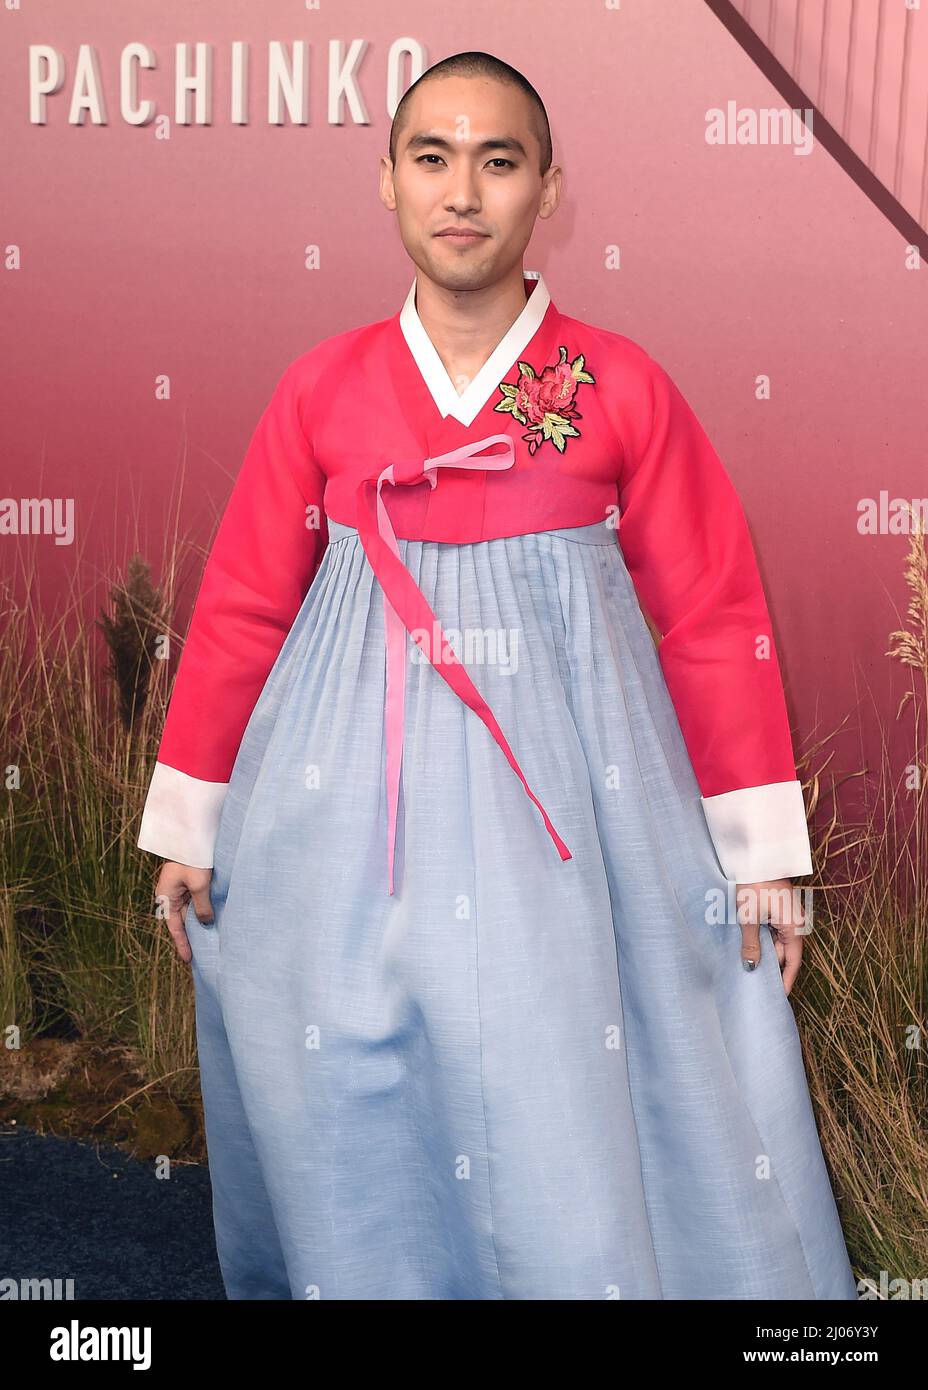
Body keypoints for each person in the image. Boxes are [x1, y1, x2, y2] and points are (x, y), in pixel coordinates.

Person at [137, 51, 859, 1300]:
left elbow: (707, 613)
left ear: (547, 189)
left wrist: (760, 856)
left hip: (576, 798)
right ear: (387, 182)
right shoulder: (321, 386)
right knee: (360, 1039)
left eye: (498, 159)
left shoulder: (620, 386)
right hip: (351, 796)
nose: (461, 190)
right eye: (431, 157)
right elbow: (246, 601)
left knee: (557, 1054)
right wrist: (191, 819)